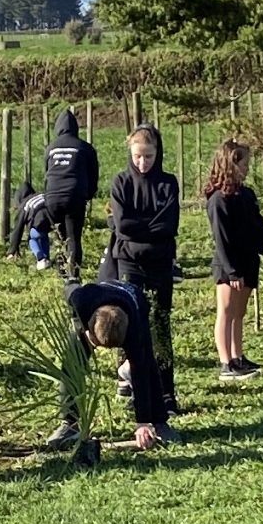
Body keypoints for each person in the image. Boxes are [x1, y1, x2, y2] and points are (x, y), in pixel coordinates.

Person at [101, 125, 181, 411]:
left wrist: (141, 228)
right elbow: (122, 226)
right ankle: (130, 380)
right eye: (137, 157)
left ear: (157, 153)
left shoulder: (168, 183)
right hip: (129, 262)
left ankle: (166, 392)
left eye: (148, 156)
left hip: (159, 263)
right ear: (130, 154)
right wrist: (151, 228)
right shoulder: (121, 183)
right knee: (130, 321)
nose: (142, 163)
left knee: (160, 325)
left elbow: (169, 224)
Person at [47, 281, 168, 451]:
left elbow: (139, 372)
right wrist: (83, 329)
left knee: (146, 364)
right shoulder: (81, 299)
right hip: (95, 302)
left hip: (134, 299)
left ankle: (159, 421)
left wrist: (142, 421)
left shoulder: (134, 327)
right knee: (71, 364)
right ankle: (69, 422)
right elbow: (69, 288)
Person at [202, 137, 263, 381]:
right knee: (225, 310)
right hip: (229, 265)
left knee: (239, 311)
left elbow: (256, 225)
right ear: (231, 163)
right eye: (244, 163)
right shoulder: (218, 200)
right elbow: (221, 239)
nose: (247, 168)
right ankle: (226, 362)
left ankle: (238, 356)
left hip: (248, 259)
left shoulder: (246, 194)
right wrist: (231, 271)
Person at [36, 108, 100, 273]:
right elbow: (93, 175)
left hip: (52, 198)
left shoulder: (50, 148)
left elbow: (46, 173)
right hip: (74, 196)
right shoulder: (85, 148)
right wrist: (88, 195)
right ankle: (74, 273)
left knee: (59, 236)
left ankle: (62, 271)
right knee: (73, 237)